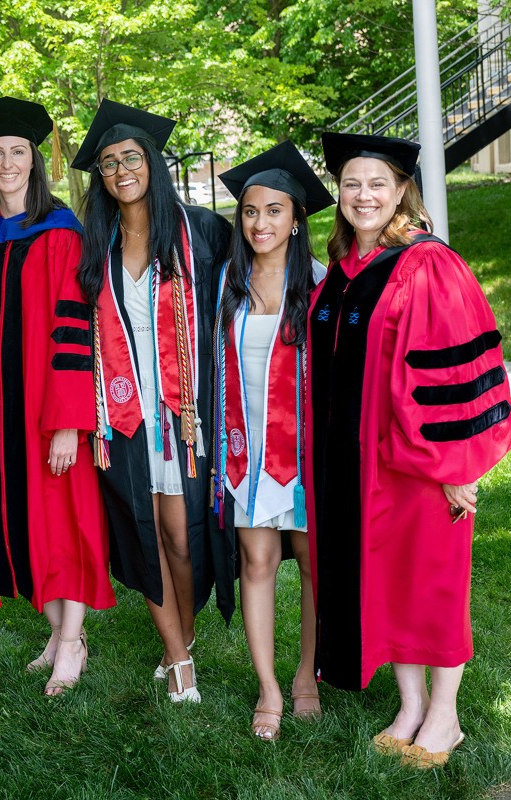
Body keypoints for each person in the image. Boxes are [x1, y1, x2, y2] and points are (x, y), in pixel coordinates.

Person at [310, 132, 511, 767]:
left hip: (421, 468)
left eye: (377, 183)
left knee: (432, 587)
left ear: (403, 190)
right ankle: (408, 706)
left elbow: (456, 370)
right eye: (351, 184)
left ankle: (446, 716)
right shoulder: (342, 271)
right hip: (358, 468)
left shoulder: (429, 264)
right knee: (390, 586)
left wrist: (460, 468)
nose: (362, 195)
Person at [71, 99, 231, 703]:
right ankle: (178, 660)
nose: (119, 170)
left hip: (187, 412)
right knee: (144, 533)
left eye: (130, 157)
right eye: (108, 164)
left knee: (184, 537)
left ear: (152, 162)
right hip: (124, 414)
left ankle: (182, 640)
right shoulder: (96, 249)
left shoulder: (203, 232)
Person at [0, 96, 115, 696]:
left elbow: (76, 333)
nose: (6, 162)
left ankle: (73, 639)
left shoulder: (60, 234)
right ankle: (56, 629)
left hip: (47, 412)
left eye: (16, 152)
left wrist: (70, 422)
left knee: (64, 520)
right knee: (23, 524)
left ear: (33, 161)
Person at [212, 141, 333, 739]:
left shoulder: (320, 285)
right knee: (256, 562)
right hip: (245, 452)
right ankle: (268, 688)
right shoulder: (226, 286)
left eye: (275, 211)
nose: (260, 223)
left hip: (307, 454)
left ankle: (307, 674)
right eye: (251, 211)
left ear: (296, 219)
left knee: (313, 564)